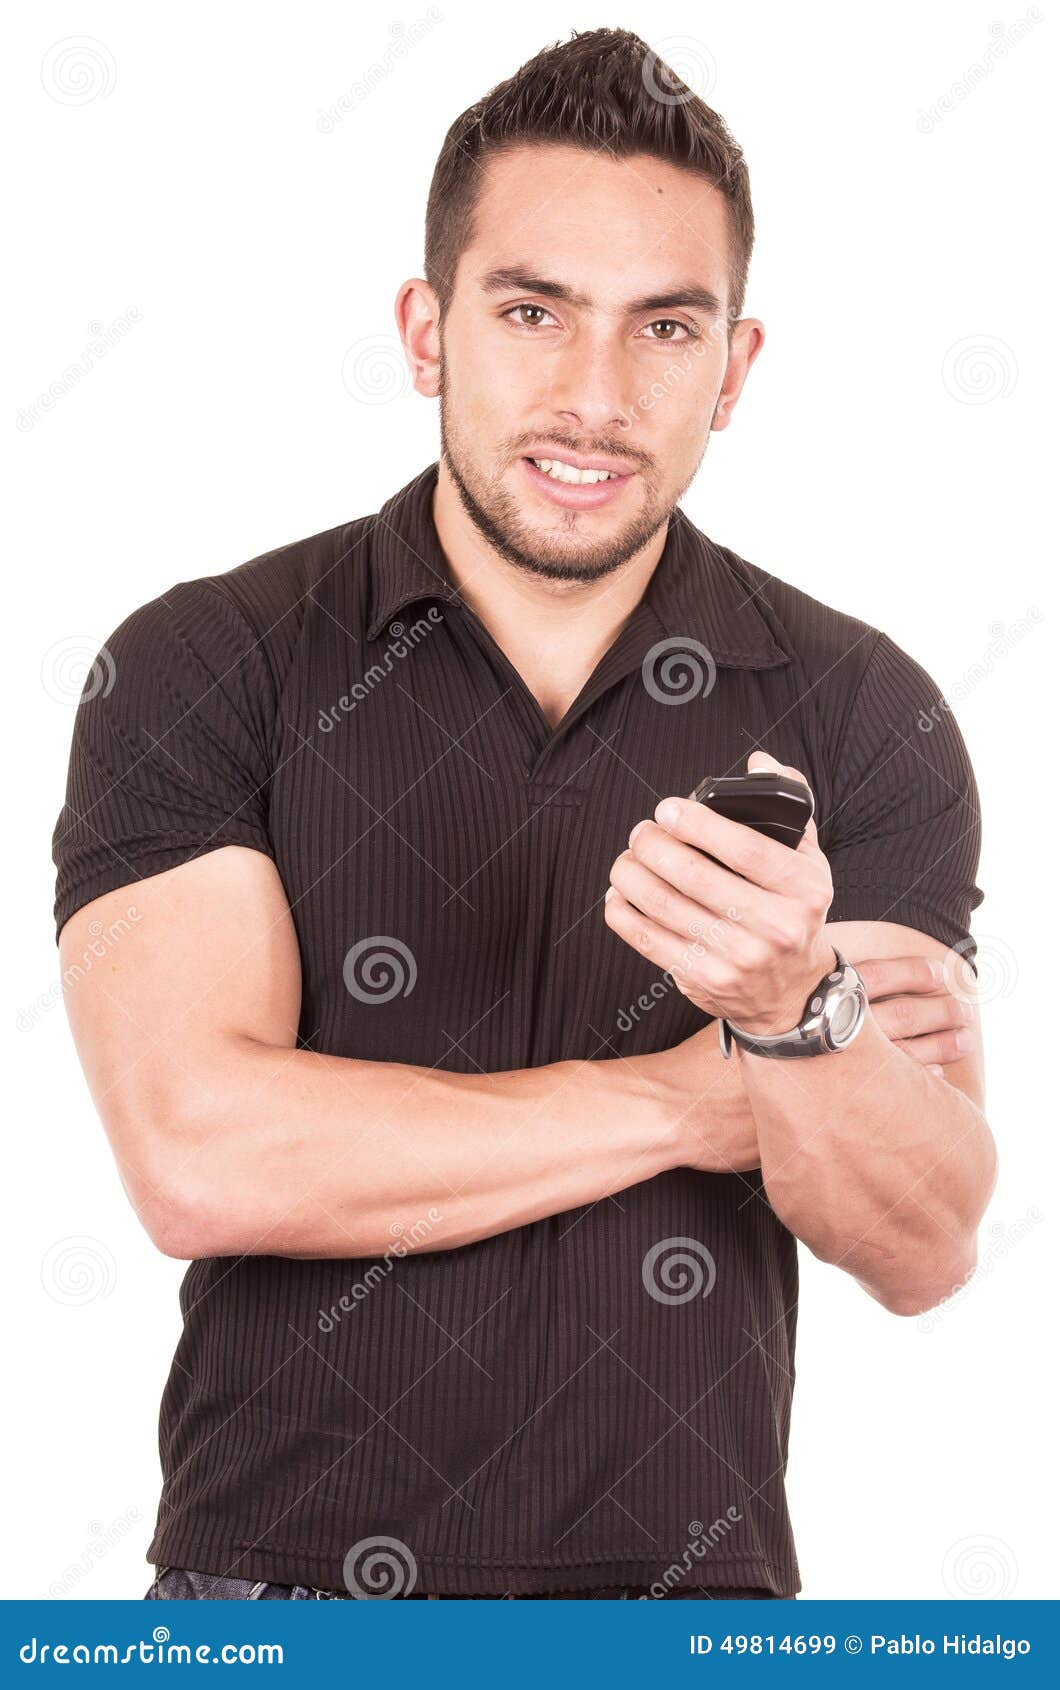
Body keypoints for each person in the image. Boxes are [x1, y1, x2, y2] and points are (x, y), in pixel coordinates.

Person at [52, 28, 996, 1602]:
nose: (593, 396)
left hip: (693, 1614)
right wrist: (726, 1088)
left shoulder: (862, 711)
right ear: (427, 330)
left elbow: (924, 1237)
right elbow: (201, 1155)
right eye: (532, 311)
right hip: (270, 1606)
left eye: (665, 327)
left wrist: (784, 1008)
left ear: (735, 368)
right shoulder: (205, 661)